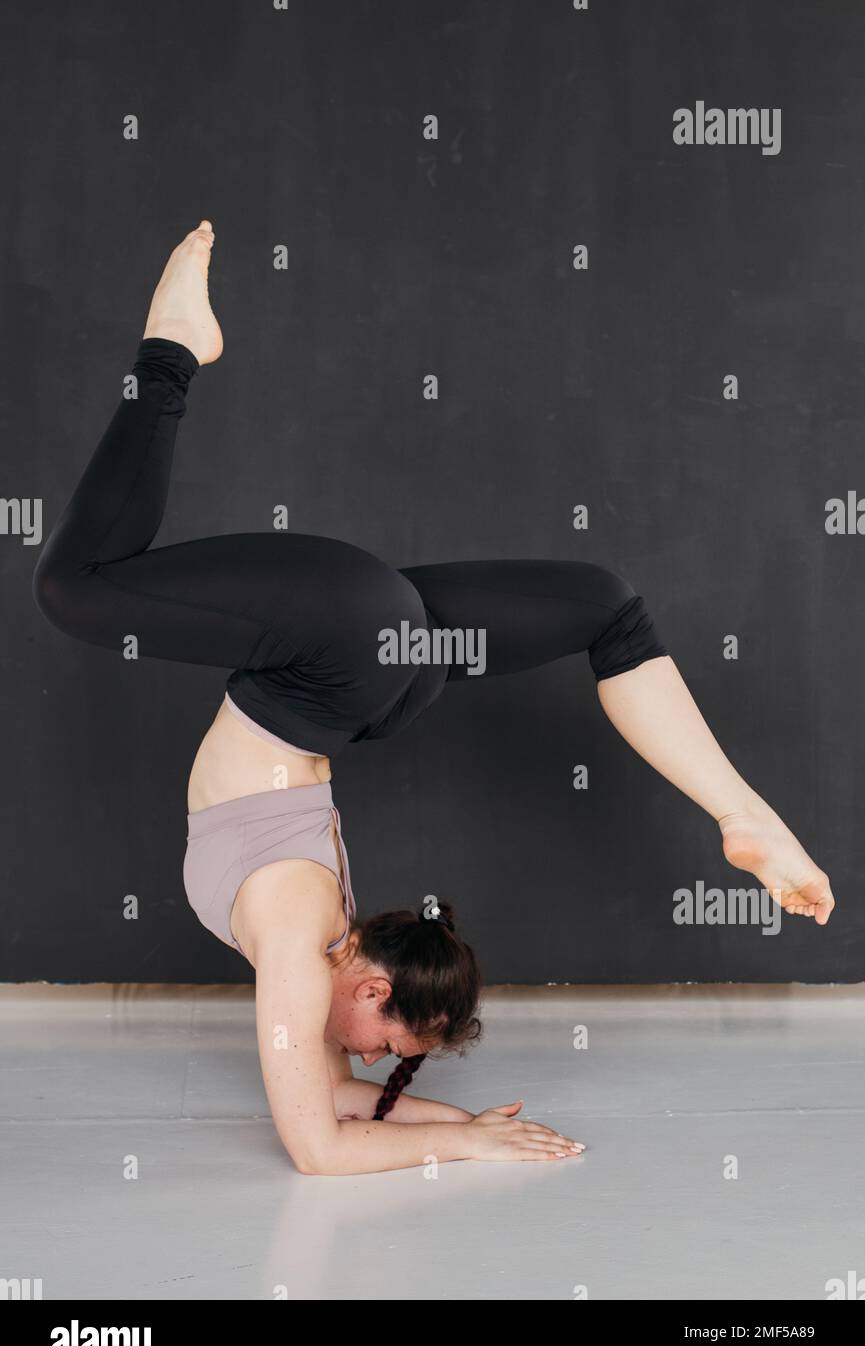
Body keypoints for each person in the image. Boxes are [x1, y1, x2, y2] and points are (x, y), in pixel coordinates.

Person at [32, 222, 834, 1175]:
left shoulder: (325, 950)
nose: (367, 1058)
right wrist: (464, 1143)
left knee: (607, 606)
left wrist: (464, 1128)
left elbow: (331, 1103)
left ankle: (745, 814)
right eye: (385, 1045)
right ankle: (171, 351)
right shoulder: (298, 943)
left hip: (383, 670)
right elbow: (319, 1150)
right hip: (336, 656)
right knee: (74, 588)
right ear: (370, 986)